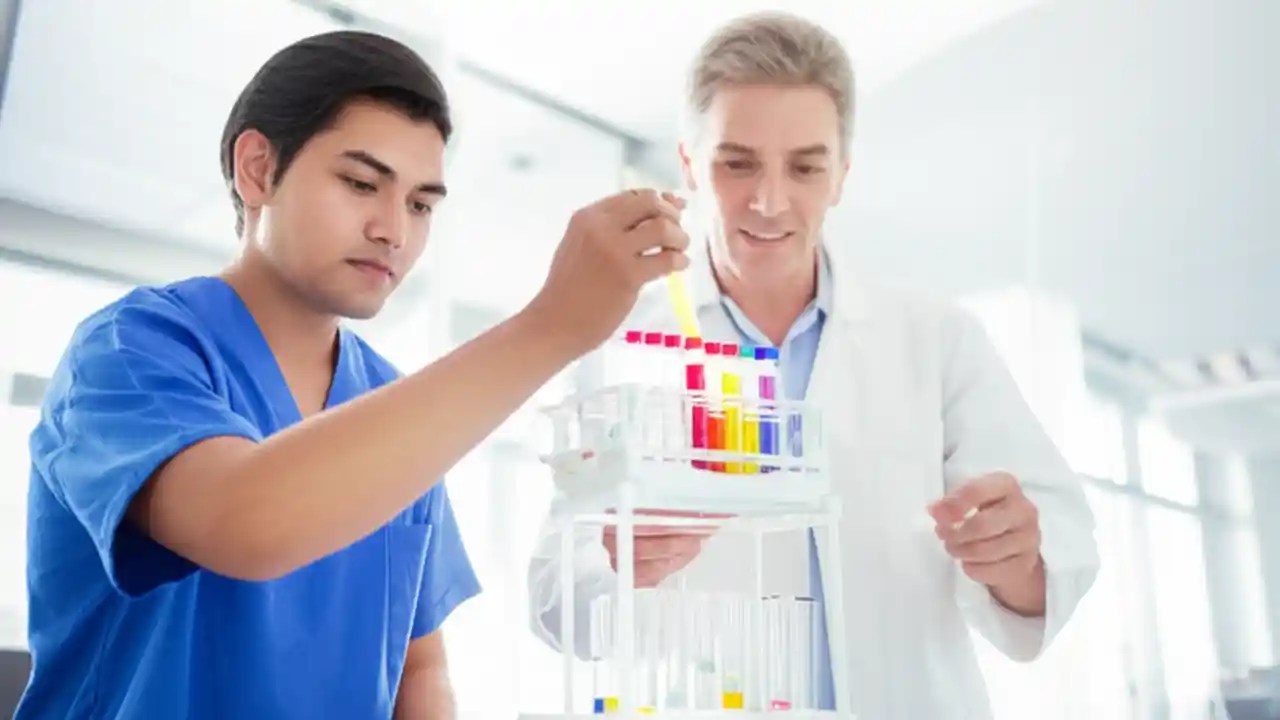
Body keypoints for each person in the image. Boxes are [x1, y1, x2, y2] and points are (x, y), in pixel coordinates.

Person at [18, 30, 688, 720]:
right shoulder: (131, 352)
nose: (394, 231)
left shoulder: (396, 407)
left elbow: (419, 668)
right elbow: (245, 521)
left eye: (421, 205)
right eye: (362, 184)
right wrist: (549, 328)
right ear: (257, 169)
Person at [527, 12, 1099, 719]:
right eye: (737, 163)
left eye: (805, 166)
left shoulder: (937, 339)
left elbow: (1059, 554)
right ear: (688, 166)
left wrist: (1016, 560)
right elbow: (553, 595)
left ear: (841, 177)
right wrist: (611, 568)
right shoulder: (613, 344)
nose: (769, 201)